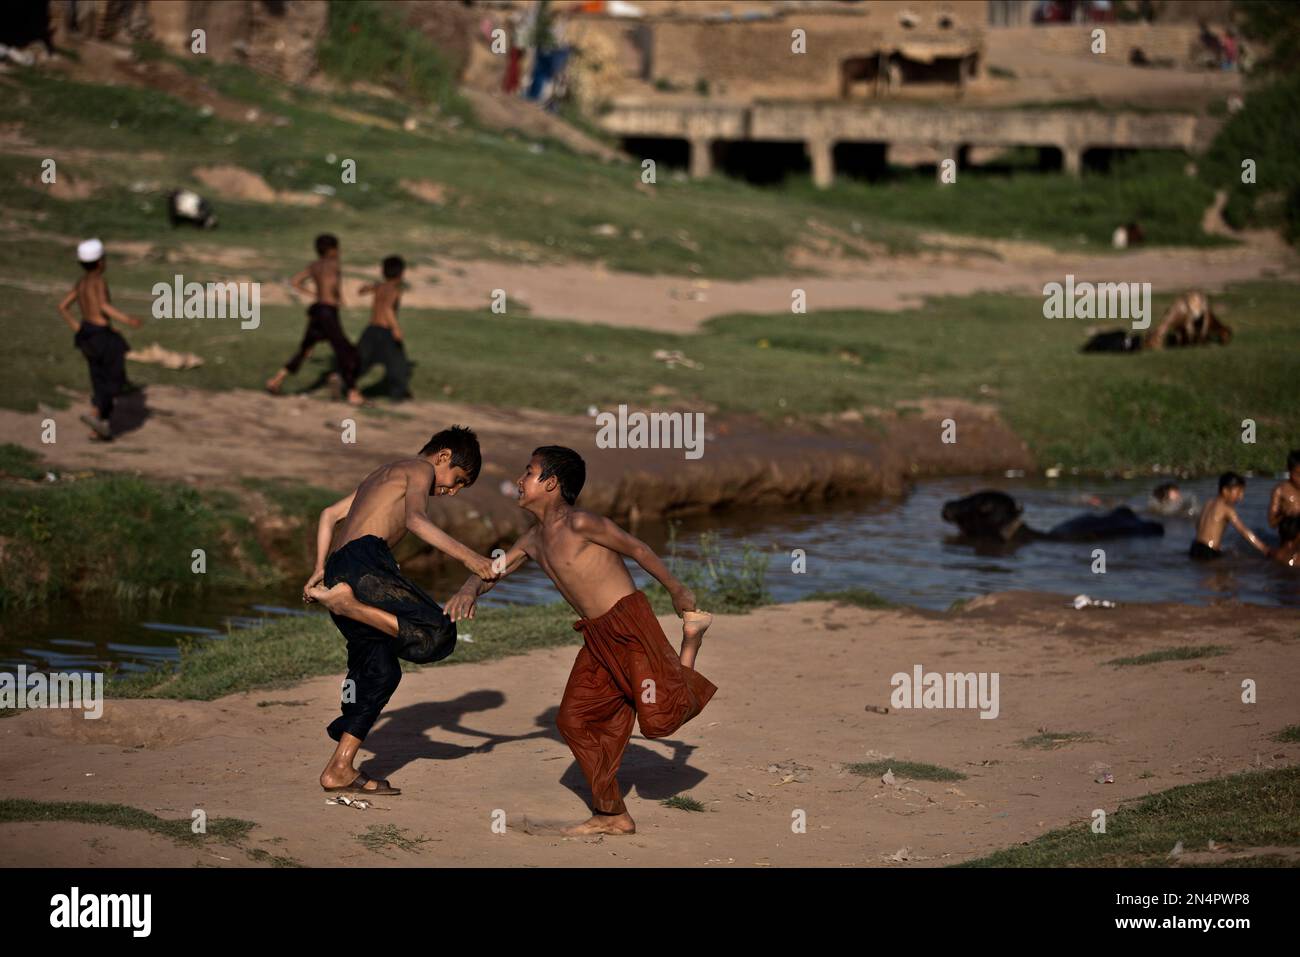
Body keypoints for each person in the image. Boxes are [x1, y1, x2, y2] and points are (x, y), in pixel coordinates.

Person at [445, 446, 717, 836]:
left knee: (660, 720)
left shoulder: (582, 523)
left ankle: (691, 639)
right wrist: (470, 588)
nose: (520, 481)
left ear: (551, 483)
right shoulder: (533, 539)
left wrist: (677, 590)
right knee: (572, 720)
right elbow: (492, 570)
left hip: (629, 626)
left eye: (529, 473)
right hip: (596, 638)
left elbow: (638, 548)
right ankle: (612, 814)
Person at [303, 426, 498, 795]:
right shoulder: (419, 470)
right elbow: (415, 521)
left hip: (339, 569)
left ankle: (339, 769)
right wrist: (473, 560)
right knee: (439, 634)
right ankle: (347, 604)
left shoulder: (382, 474)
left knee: (380, 671)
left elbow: (329, 514)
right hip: (365, 566)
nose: (452, 491)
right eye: (457, 480)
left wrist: (318, 569)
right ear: (442, 457)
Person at [56, 238, 144, 440]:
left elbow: (62, 306)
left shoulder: (81, 283)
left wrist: (78, 328)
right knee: (113, 378)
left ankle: (97, 430)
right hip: (102, 335)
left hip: (87, 334)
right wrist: (128, 320)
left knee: (98, 377)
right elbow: (103, 306)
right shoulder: (98, 281)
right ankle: (95, 413)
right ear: (100, 262)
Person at [266, 233, 362, 404]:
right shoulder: (334, 264)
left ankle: (276, 380)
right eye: (337, 248)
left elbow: (295, 281)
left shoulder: (314, 266)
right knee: (345, 350)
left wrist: (314, 294)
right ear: (332, 250)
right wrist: (339, 298)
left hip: (317, 310)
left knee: (305, 349)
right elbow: (334, 285)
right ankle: (352, 392)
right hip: (329, 312)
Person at [355, 255, 412, 400]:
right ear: (401, 273)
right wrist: (396, 328)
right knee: (399, 365)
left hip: (371, 330)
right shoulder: (395, 289)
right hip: (385, 331)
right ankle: (397, 394)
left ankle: (343, 381)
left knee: (360, 361)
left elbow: (361, 291)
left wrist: (370, 286)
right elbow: (388, 309)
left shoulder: (379, 286)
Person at [1189, 472, 1270, 560]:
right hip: (1208, 552)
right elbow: (1244, 531)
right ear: (1225, 491)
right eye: (1238, 492)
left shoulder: (1208, 503)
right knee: (1218, 573)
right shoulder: (1227, 509)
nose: (1241, 497)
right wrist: (1265, 549)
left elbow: (1198, 525)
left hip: (1195, 547)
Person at [1267, 449, 1300, 546]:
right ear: (1289, 471)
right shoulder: (1280, 491)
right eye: (1298, 474)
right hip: (1287, 544)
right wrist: (1284, 515)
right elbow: (1271, 523)